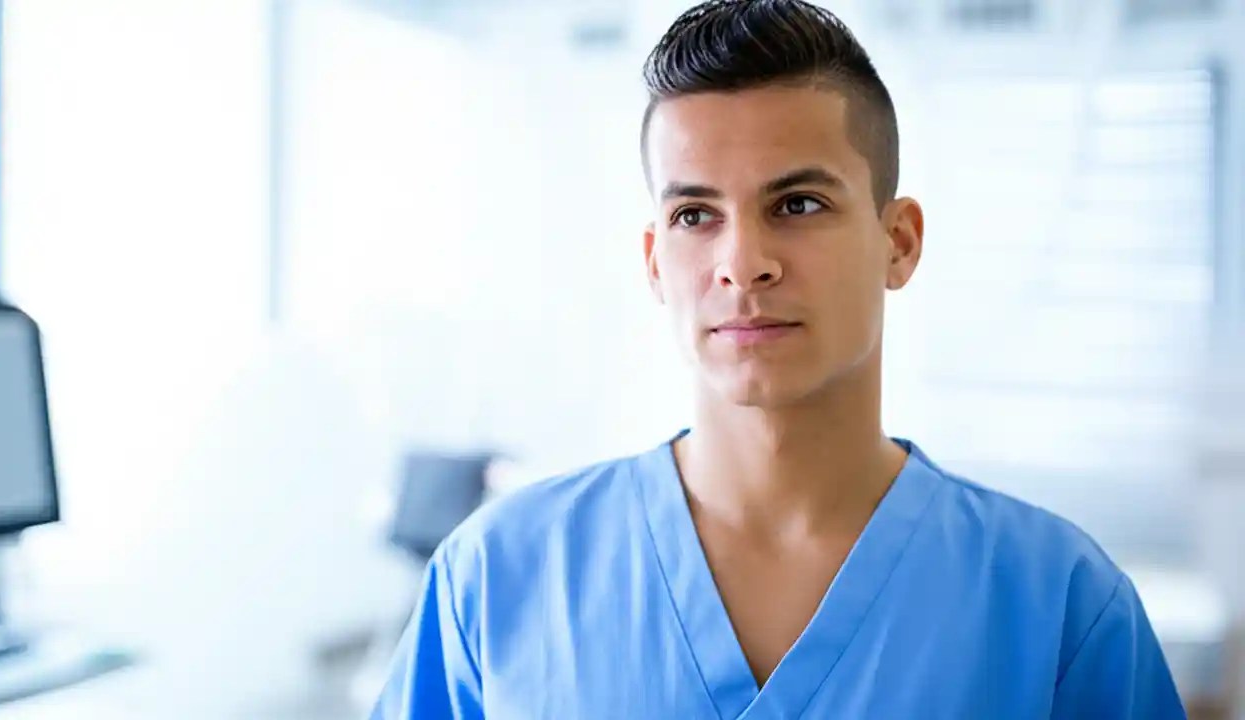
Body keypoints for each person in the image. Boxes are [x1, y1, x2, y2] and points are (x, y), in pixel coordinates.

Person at [370, 1, 1186, 717]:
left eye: (797, 204)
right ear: (655, 261)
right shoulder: (496, 578)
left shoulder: (1058, 608)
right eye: (696, 214)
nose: (743, 262)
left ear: (898, 243)